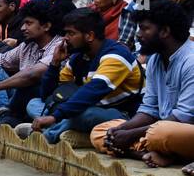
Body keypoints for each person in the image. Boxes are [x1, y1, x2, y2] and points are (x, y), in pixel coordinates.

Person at [91, 0, 194, 170]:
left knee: (159, 133)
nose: (138, 35)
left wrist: (132, 135)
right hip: (162, 129)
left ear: (165, 31)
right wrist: (122, 129)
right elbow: (150, 109)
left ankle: (159, 152)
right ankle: (158, 154)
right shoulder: (155, 59)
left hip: (182, 130)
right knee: (101, 131)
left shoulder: (191, 60)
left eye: (145, 29)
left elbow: (183, 117)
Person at [14, 8, 143, 144]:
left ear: (90, 36)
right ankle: (74, 133)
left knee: (84, 115)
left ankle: (48, 135)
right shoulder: (78, 56)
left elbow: (92, 91)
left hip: (122, 114)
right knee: (34, 104)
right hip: (86, 106)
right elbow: (49, 94)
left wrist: (54, 117)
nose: (66, 38)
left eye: (71, 33)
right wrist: (55, 63)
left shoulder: (116, 55)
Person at [0, 0, 63, 123]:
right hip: (19, 100)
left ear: (46, 26)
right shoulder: (27, 45)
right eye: (23, 23)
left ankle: (6, 119)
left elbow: (31, 75)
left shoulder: (59, 45)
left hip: (45, 99)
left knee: (28, 86)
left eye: (29, 23)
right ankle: (1, 114)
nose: (23, 28)